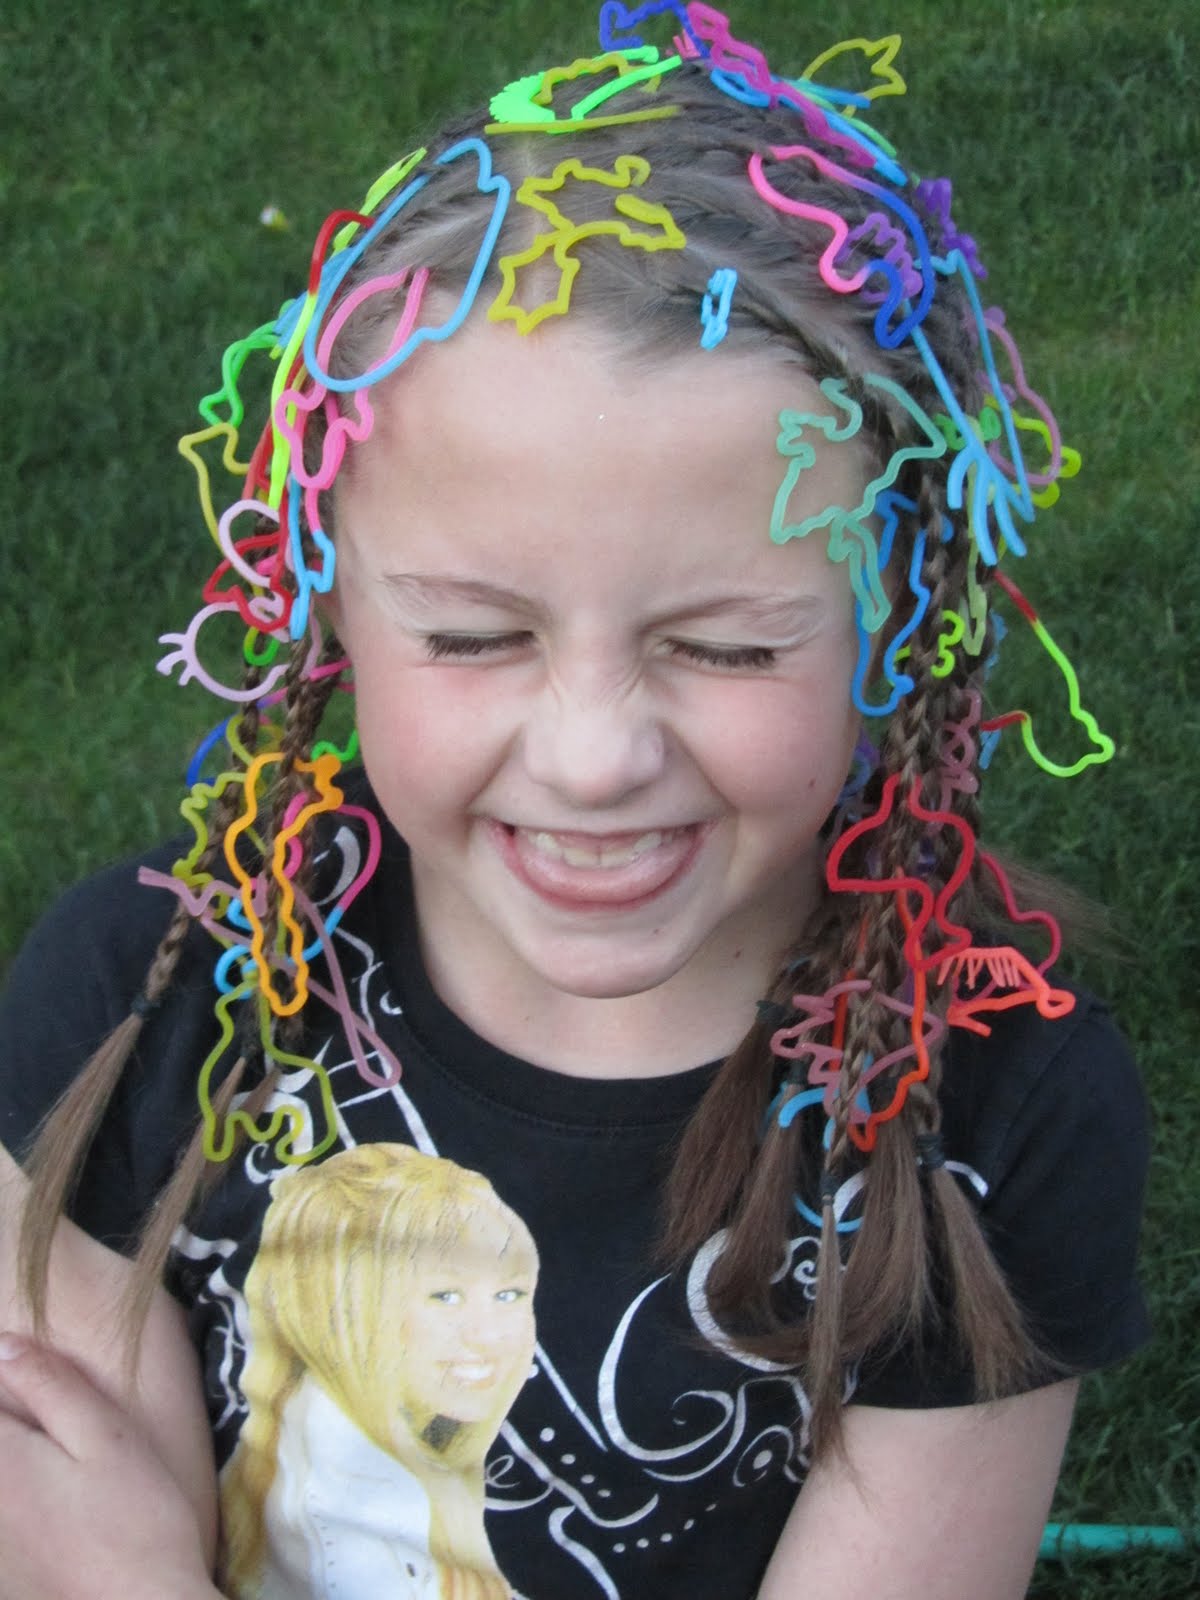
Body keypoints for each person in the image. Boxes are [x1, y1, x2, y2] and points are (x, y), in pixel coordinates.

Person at [0, 6, 1149, 1598]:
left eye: (728, 646)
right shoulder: (146, 1001)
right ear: (327, 607)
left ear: (907, 619)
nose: (594, 754)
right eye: (475, 636)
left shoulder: (985, 1112)